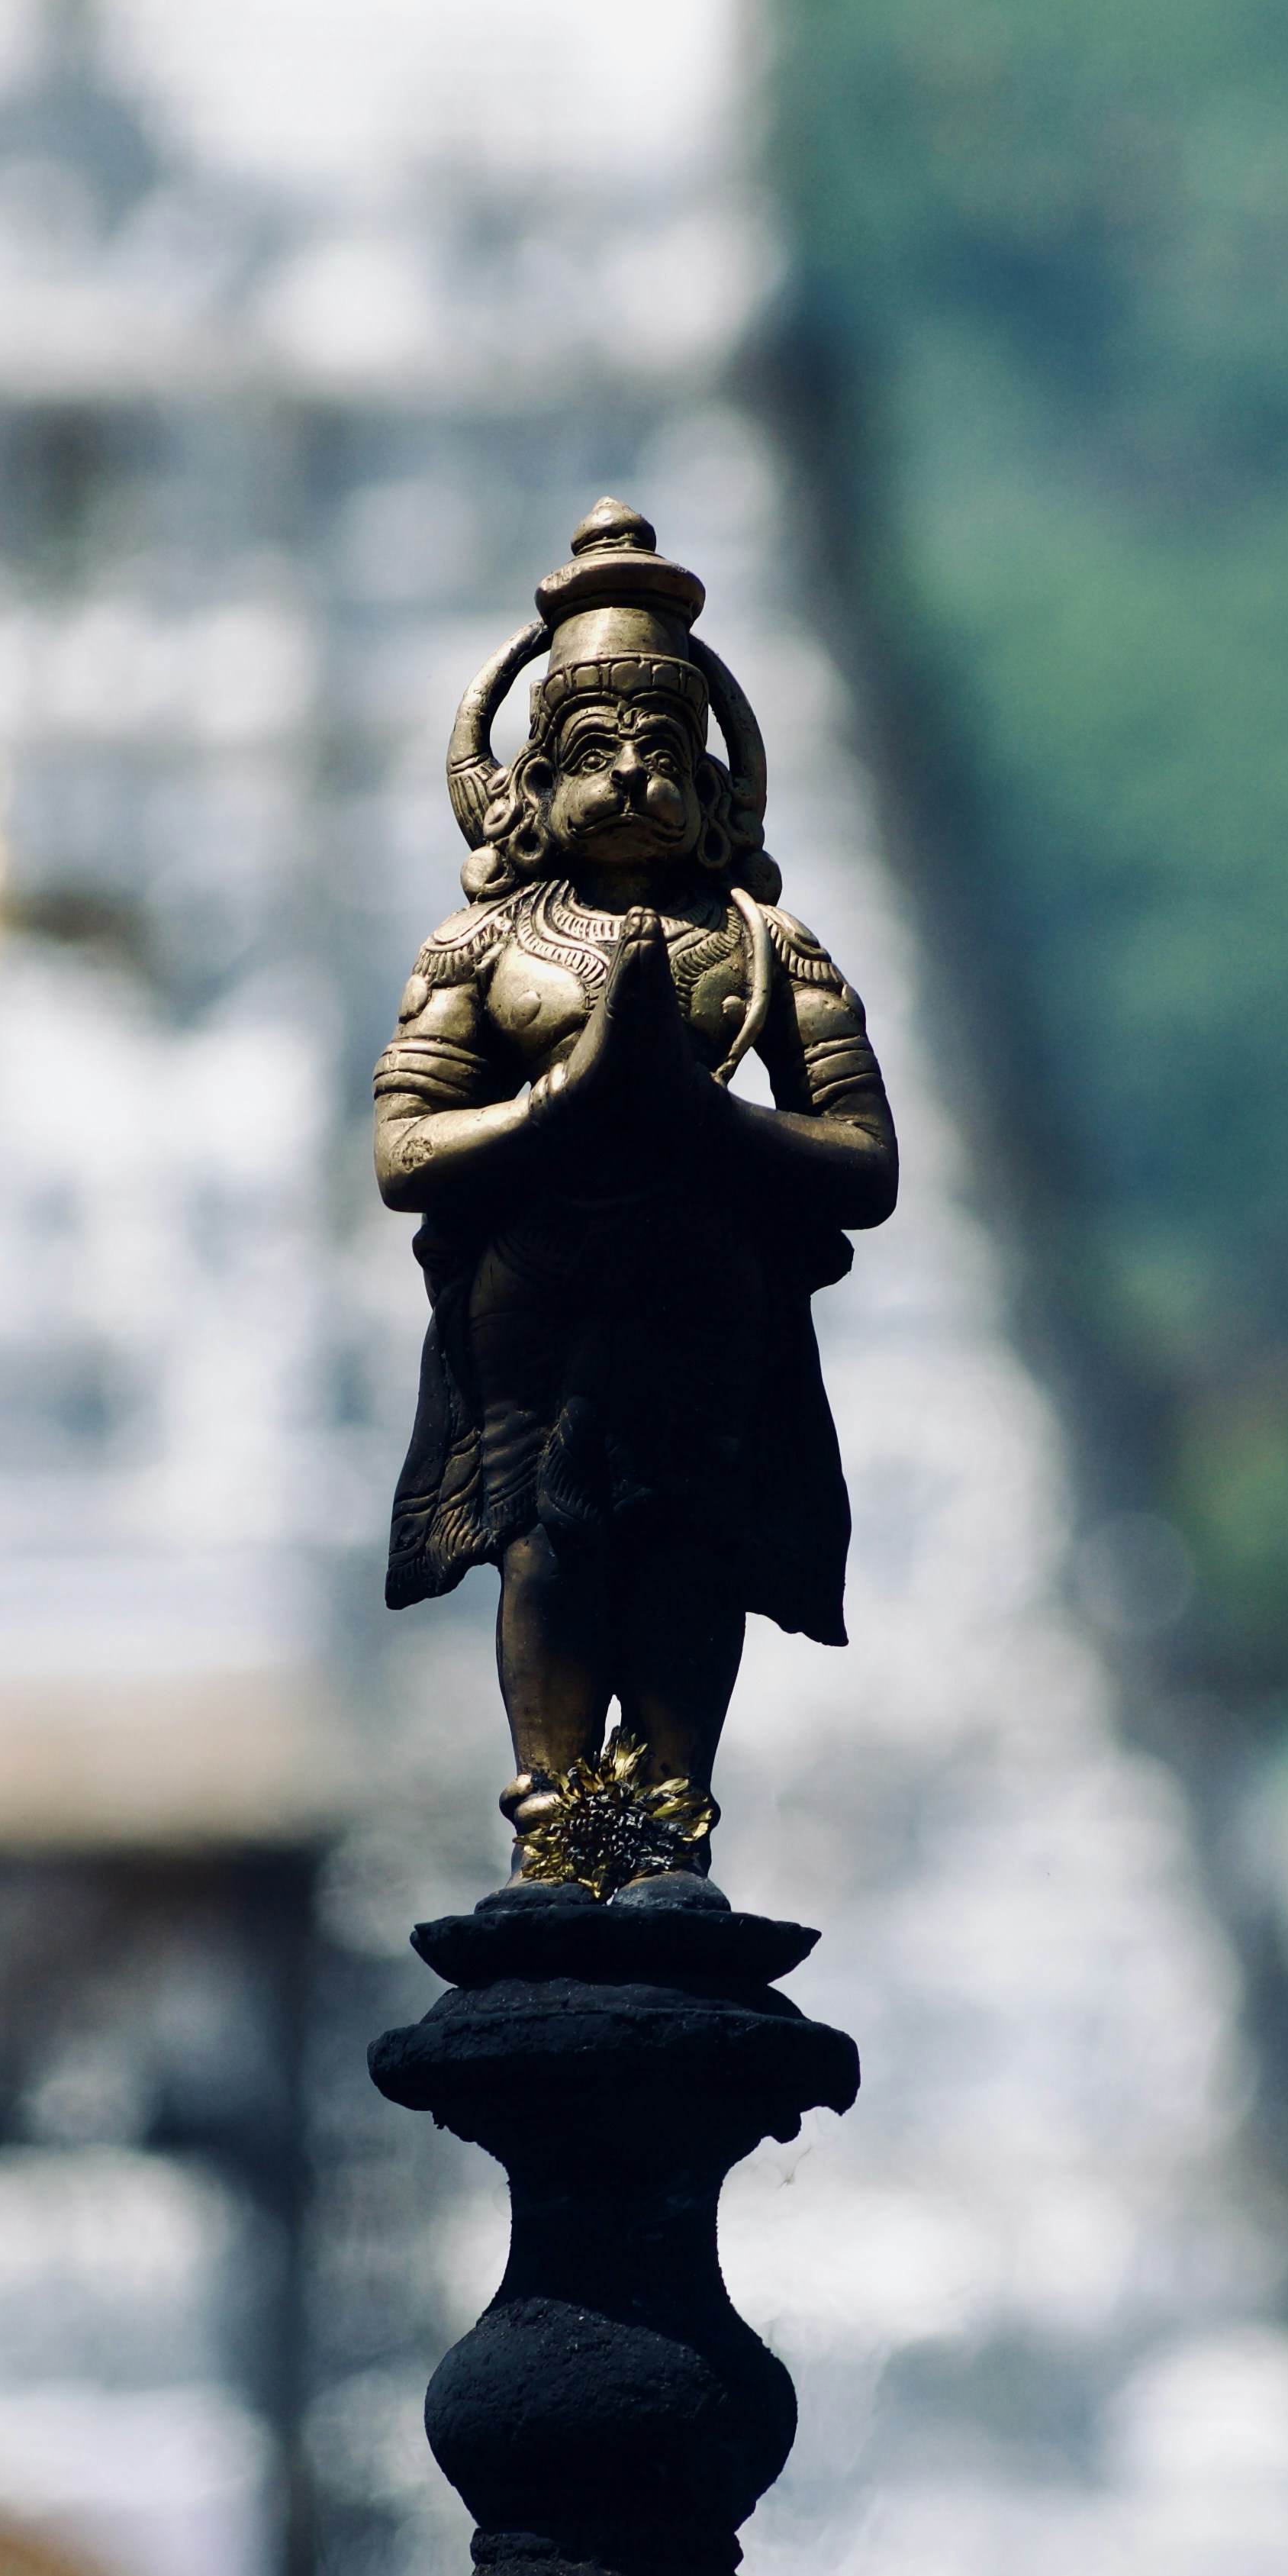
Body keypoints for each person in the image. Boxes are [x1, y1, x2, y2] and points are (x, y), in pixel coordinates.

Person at [371, 501, 898, 1893]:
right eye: (591, 754)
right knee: (543, 1549)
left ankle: (670, 1815)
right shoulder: (483, 943)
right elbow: (404, 1152)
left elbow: (864, 1164)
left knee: (684, 1551)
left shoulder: (769, 947)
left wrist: (696, 1118)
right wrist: (568, 1106)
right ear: (527, 786)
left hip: (703, 1301)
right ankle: (555, 1813)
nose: (628, 780)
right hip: (535, 1303)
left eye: (663, 752)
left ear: (718, 786)